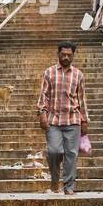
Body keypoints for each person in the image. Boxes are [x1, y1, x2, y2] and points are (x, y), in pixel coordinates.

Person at [37, 41, 89, 195]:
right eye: (63, 54)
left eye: (69, 55)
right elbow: (44, 95)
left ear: (73, 55)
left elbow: (82, 99)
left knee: (71, 154)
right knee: (54, 151)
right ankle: (54, 179)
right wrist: (42, 113)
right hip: (53, 120)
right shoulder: (49, 72)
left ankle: (69, 186)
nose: (66, 57)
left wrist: (84, 120)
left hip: (73, 119)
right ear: (58, 54)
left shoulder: (78, 75)